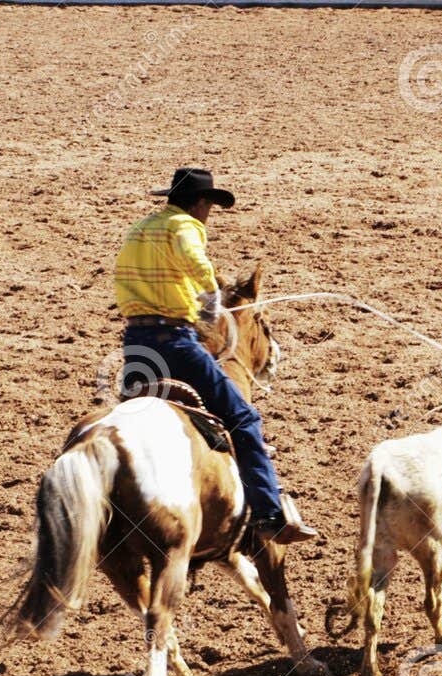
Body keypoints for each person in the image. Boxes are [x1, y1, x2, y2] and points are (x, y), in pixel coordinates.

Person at [114, 167, 316, 544]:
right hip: (175, 342)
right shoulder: (184, 226)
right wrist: (210, 301)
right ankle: (269, 513)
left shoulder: (139, 230)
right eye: (209, 206)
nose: (208, 214)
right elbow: (197, 262)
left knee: (126, 417)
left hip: (137, 343)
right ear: (201, 203)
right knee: (243, 418)